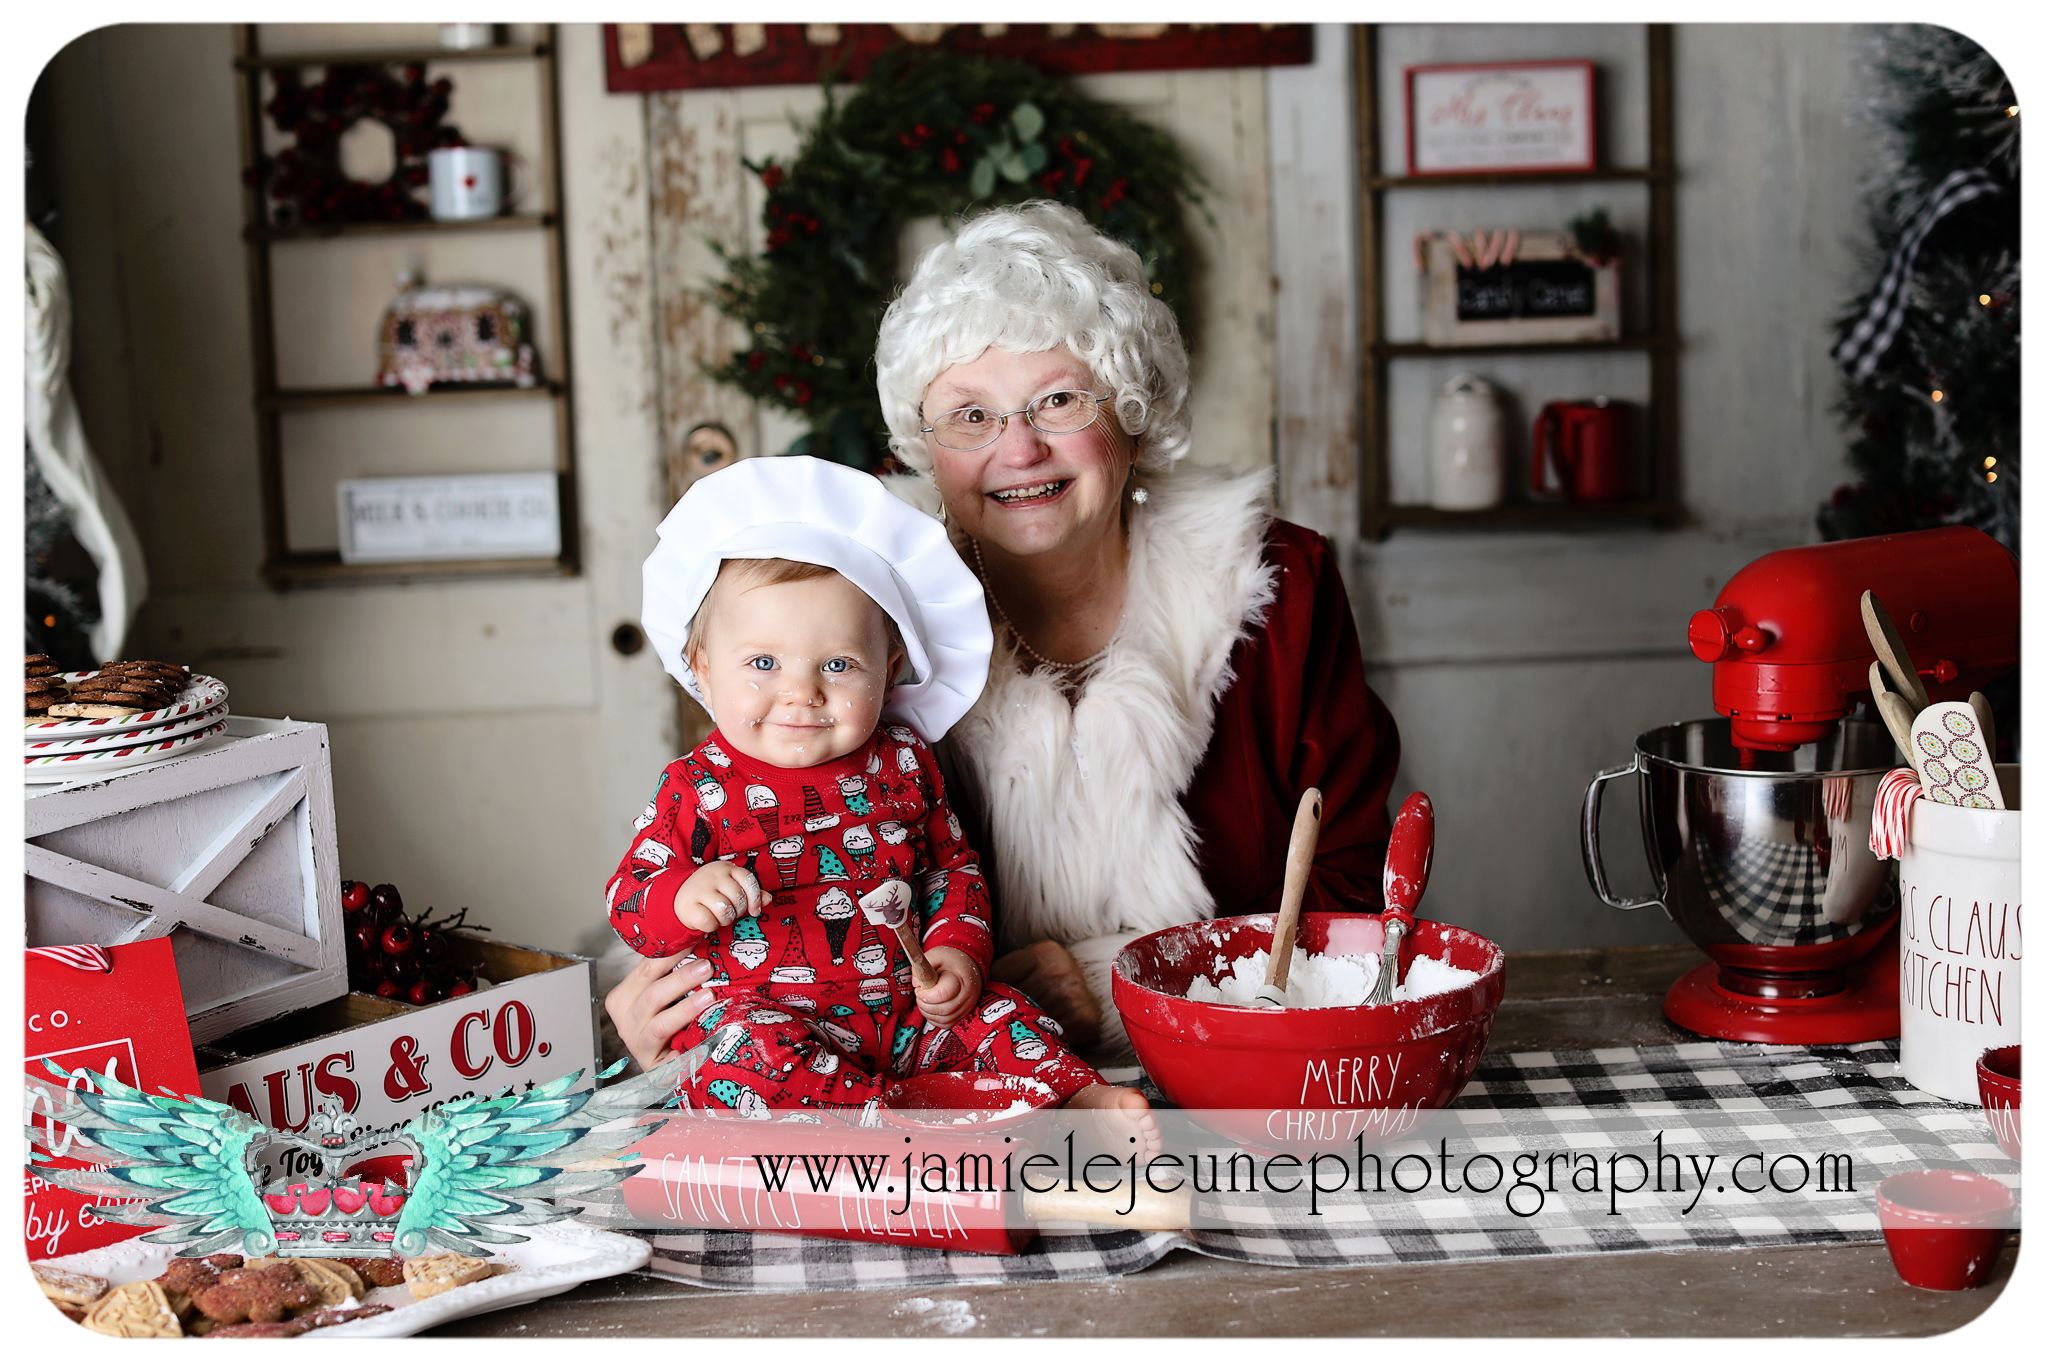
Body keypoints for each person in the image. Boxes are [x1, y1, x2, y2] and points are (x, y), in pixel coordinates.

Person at [607, 200, 1399, 1064]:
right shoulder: (849, 606)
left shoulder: (1276, 584)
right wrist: (669, 997)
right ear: (927, 444)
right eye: (971, 416)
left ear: (1130, 416)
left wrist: (1107, 988)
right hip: (929, 1086)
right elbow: (746, 835)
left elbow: (1354, 894)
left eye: (1057, 400)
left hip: (1242, 1062)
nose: (1017, 450)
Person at [615, 454, 1158, 1139]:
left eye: (838, 664)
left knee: (1001, 1014)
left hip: (905, 1020)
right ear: (701, 665)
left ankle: (1074, 1101)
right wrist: (683, 896)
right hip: (775, 1022)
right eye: (762, 663)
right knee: (741, 1057)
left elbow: (952, 873)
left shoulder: (903, 764)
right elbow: (632, 898)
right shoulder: (695, 788)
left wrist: (959, 953)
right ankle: (891, 1124)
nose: (801, 692)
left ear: (891, 665)